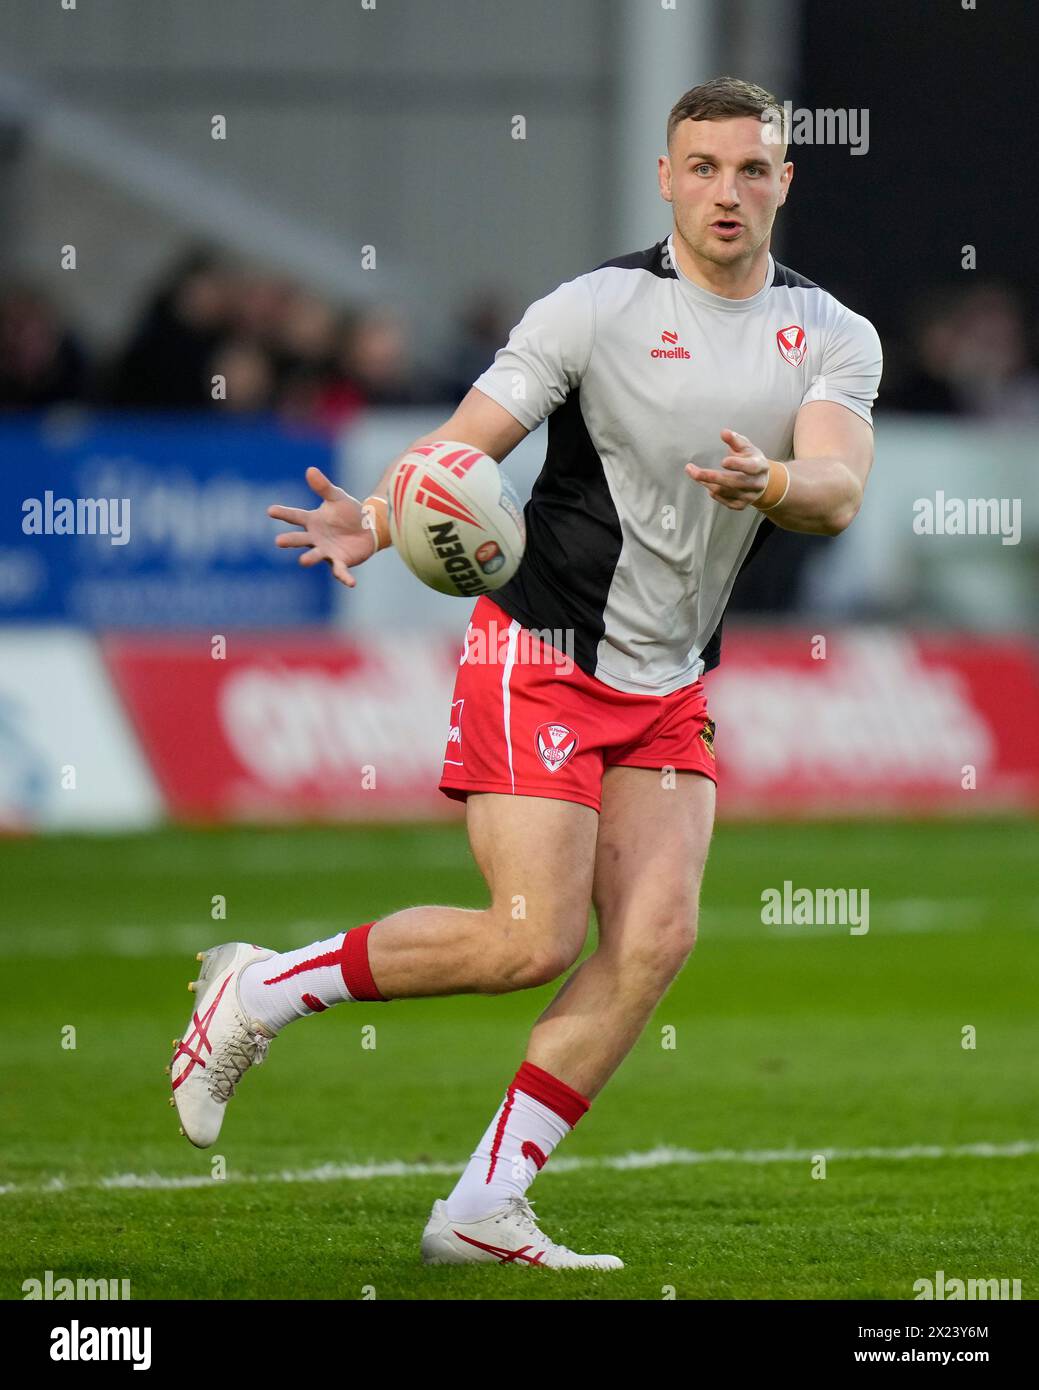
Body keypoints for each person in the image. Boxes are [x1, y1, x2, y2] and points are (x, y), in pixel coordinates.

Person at [168, 76, 881, 1269]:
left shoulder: (833, 332)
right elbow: (459, 447)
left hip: (669, 678)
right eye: (702, 167)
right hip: (541, 646)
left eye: (751, 168)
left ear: (784, 182)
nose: (726, 190)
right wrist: (385, 515)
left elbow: (839, 487)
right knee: (527, 940)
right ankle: (258, 990)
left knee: (654, 938)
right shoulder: (592, 309)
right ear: (666, 177)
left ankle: (480, 1205)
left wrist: (772, 484)